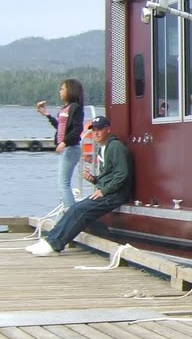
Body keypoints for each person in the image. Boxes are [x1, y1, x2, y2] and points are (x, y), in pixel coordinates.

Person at [27, 116, 133, 255]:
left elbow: (122, 174)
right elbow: (109, 175)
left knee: (80, 210)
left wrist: (104, 191)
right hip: (108, 192)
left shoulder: (116, 147)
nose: (96, 133)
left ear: (108, 129)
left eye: (99, 129)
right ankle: (50, 239)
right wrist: (94, 180)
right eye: (94, 130)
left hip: (116, 195)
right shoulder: (104, 148)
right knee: (74, 208)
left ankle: (54, 244)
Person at [36, 78, 85, 209]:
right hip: (65, 149)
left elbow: (78, 129)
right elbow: (61, 127)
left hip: (71, 148)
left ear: (71, 90)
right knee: (62, 183)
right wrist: (47, 115)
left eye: (63, 89)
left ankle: (71, 213)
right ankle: (69, 212)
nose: (60, 91)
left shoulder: (75, 108)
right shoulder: (65, 108)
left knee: (63, 184)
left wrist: (64, 142)